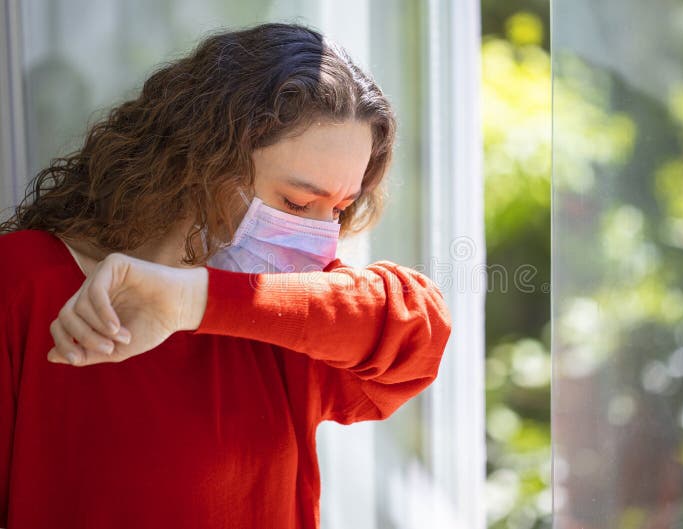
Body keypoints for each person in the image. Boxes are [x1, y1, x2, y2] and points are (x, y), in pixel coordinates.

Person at [0, 23, 452, 528]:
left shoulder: (279, 311)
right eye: (297, 202)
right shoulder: (26, 284)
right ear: (205, 162)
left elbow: (420, 329)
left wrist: (194, 300)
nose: (321, 237)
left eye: (339, 209)